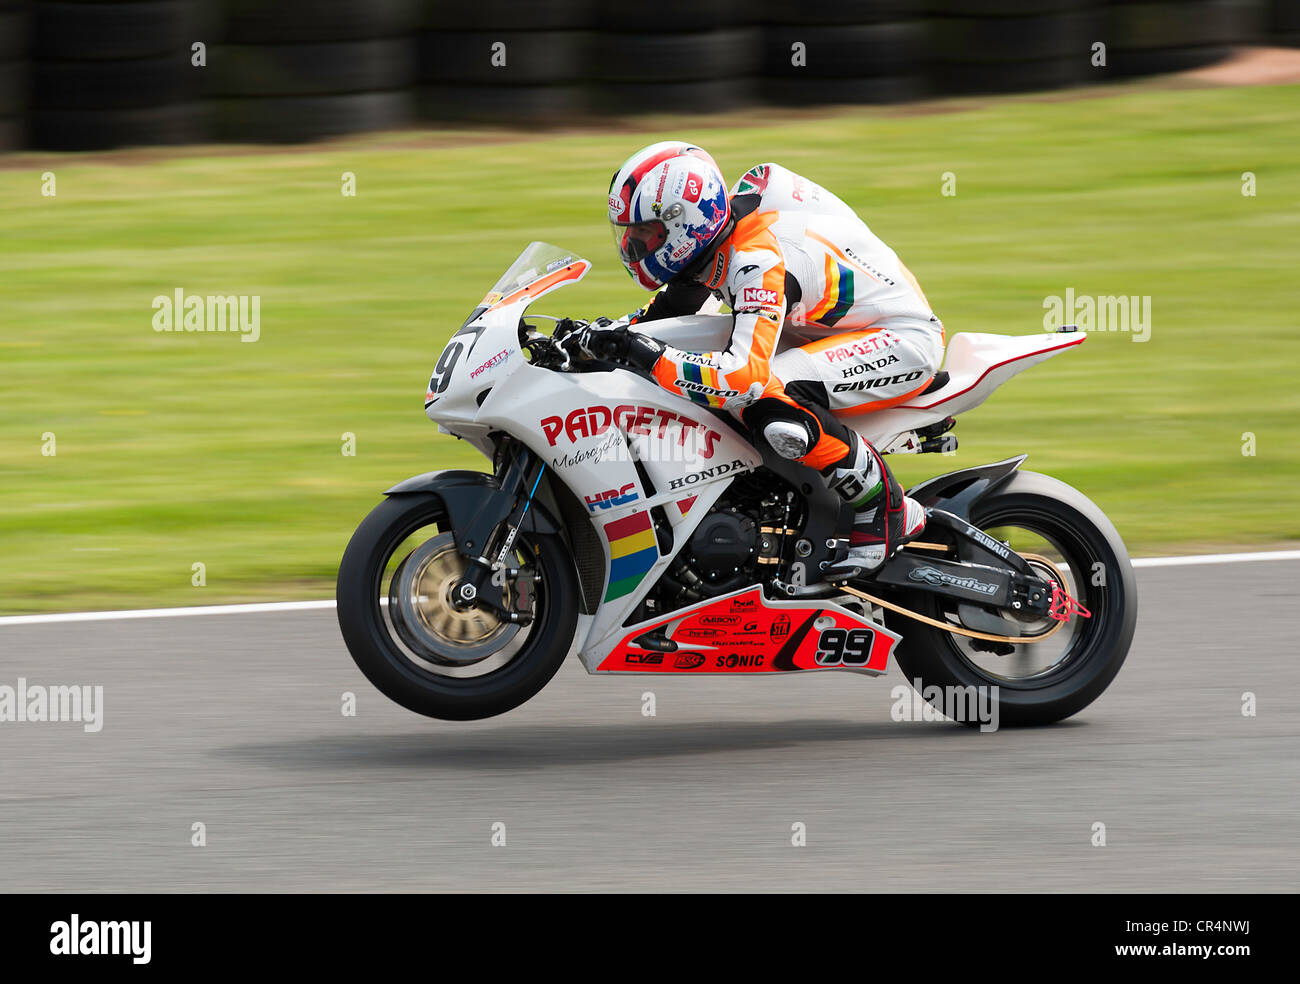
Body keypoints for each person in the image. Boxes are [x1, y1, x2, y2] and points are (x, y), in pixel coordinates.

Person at [576, 141, 945, 577]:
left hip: (900, 339)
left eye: (646, 233)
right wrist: (592, 340)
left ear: (684, 224)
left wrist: (644, 354)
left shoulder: (758, 260)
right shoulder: (713, 240)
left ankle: (886, 508)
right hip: (826, 329)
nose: (633, 247)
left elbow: (744, 377)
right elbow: (667, 312)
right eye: (629, 233)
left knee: (767, 401)